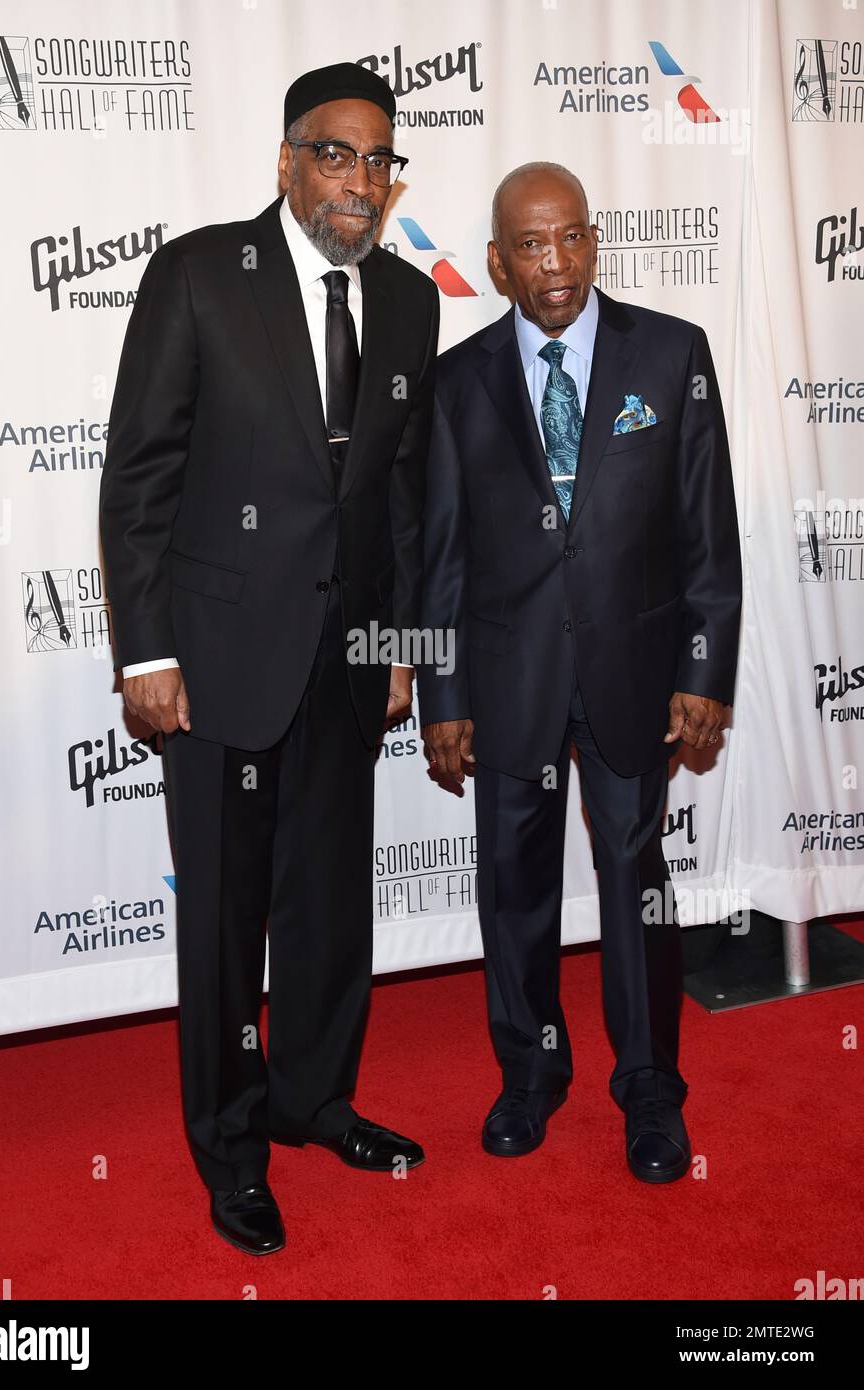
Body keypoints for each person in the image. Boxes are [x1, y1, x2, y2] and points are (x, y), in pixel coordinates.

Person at [99, 62, 440, 1254]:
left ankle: (314, 1099)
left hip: (347, 659)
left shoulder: (406, 300)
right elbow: (137, 476)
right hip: (219, 660)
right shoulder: (198, 274)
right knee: (228, 919)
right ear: (287, 162)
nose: (359, 179)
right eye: (336, 153)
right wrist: (145, 649)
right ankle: (230, 1144)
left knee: (327, 905)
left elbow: (400, 493)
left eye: (379, 160)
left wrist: (398, 646)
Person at [417, 162, 741, 1183]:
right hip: (505, 677)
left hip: (634, 672)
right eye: (528, 244)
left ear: (593, 242)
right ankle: (530, 1072)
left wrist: (703, 667)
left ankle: (647, 1085)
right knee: (512, 889)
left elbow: (706, 532)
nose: (551, 263)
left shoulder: (670, 355)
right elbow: (438, 554)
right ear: (496, 262)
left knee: (631, 881)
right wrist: (440, 693)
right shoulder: (455, 381)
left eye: (567, 239)